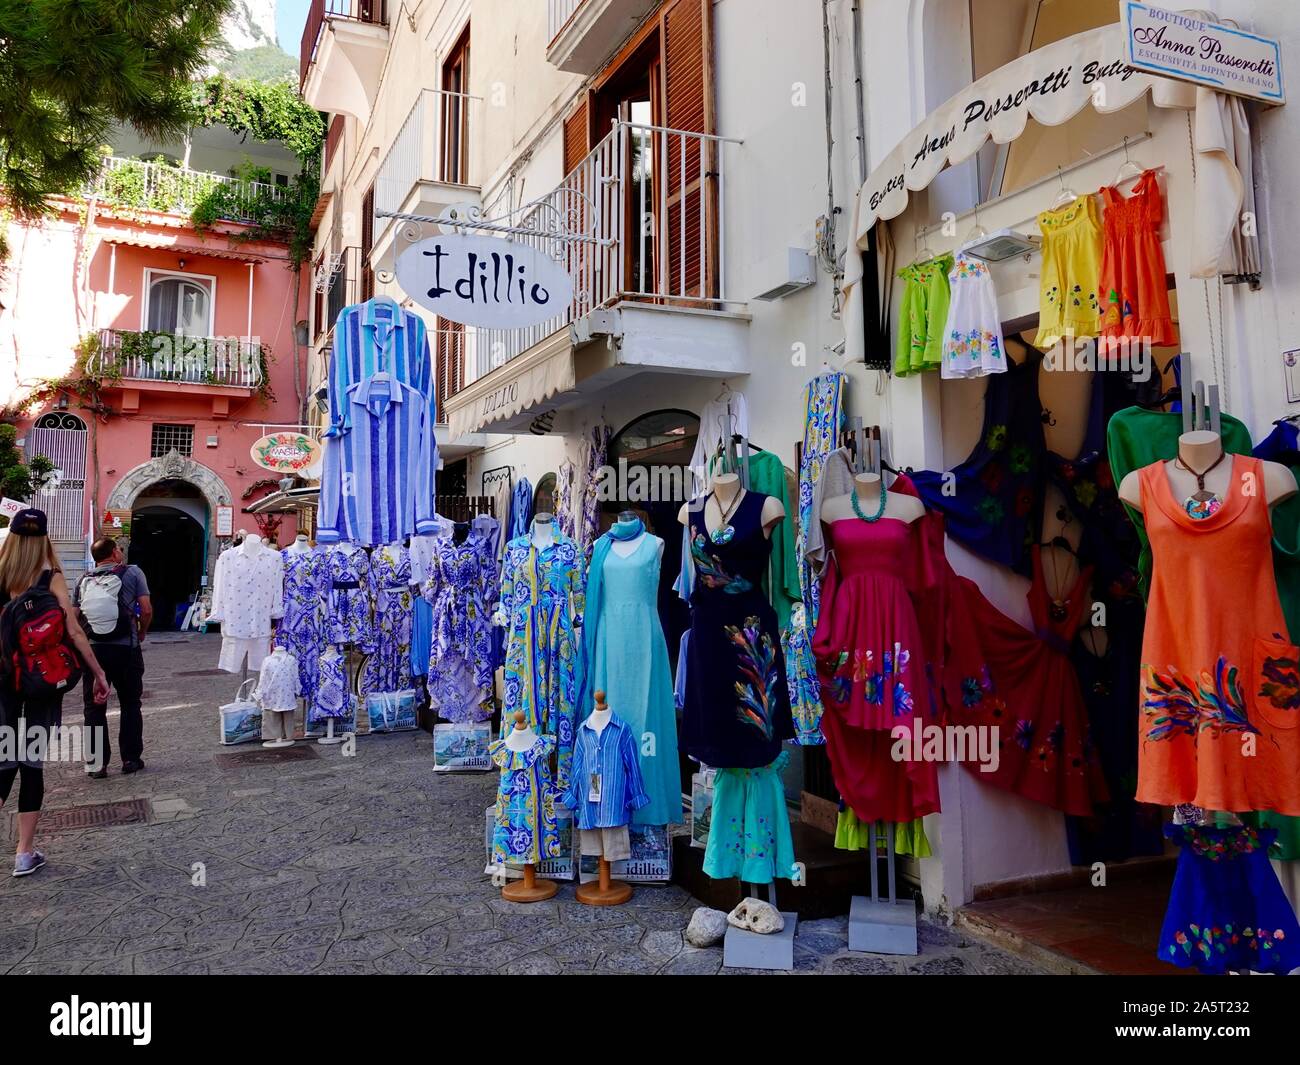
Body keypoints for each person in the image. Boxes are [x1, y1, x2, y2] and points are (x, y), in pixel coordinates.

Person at [0, 508, 109, 877]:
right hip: (41, 684)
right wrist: (97, 673)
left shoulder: (0, 574)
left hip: (3, 685)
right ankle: (24, 853)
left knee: (3, 761)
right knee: (30, 763)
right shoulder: (51, 578)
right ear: (45, 539)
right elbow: (75, 632)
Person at [75, 536, 152, 777]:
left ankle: (98, 765)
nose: (121, 552)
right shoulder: (133, 573)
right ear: (114, 554)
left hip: (94, 651)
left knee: (94, 706)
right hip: (125, 648)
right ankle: (130, 759)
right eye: (119, 549)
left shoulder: (82, 579)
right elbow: (146, 608)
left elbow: (75, 616)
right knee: (130, 703)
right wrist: (141, 631)